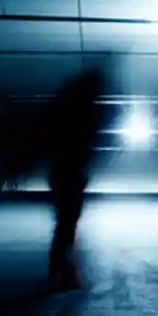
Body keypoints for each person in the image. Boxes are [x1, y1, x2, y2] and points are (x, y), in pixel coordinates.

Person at [43, 69, 105, 290]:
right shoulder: (77, 120)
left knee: (65, 226)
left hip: (66, 176)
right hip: (69, 177)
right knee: (66, 226)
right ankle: (64, 273)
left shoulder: (68, 118)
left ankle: (60, 271)